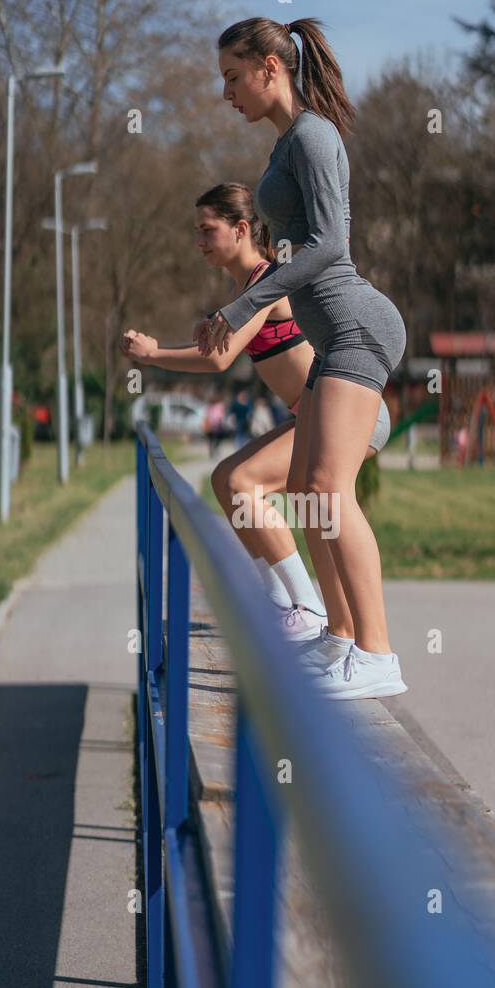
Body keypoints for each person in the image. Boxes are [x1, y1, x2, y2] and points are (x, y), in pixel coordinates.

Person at [198, 17, 408, 699]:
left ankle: (378, 654)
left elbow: (324, 248)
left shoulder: (313, 136)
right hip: (335, 332)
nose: (226, 92)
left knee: (325, 490)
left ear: (269, 67)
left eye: (233, 76)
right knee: (313, 498)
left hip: (354, 328)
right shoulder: (287, 144)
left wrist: (240, 307)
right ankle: (340, 636)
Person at [120, 182, 392, 649]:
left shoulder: (268, 283)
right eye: (197, 232)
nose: (199, 242)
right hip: (310, 418)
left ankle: (306, 608)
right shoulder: (247, 289)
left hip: (351, 416)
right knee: (228, 480)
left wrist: (153, 354)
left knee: (250, 484)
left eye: (208, 231)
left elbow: (218, 360)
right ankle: (284, 603)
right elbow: (222, 343)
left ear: (241, 229)